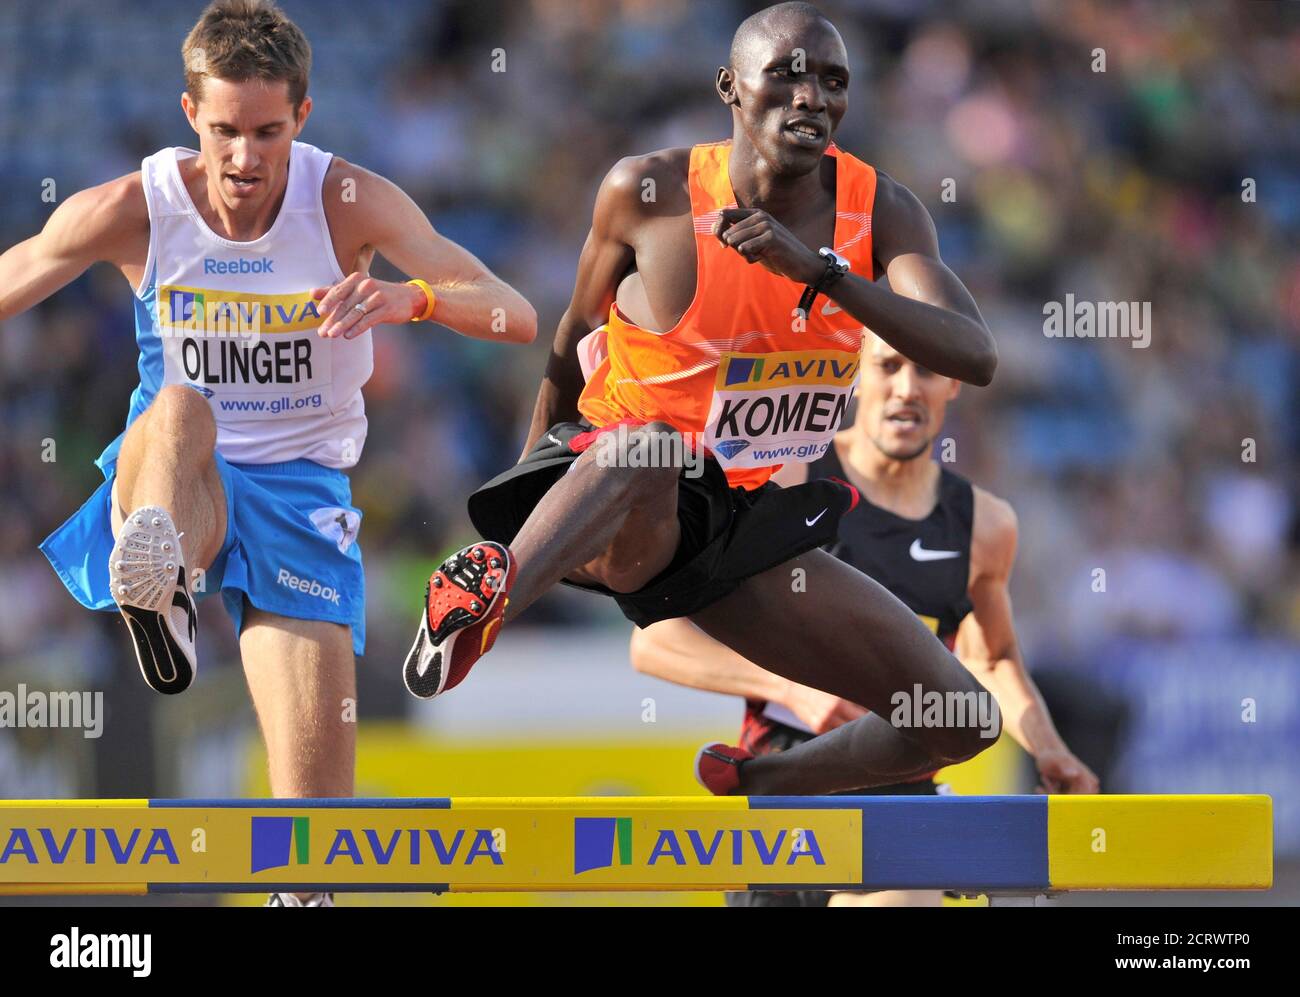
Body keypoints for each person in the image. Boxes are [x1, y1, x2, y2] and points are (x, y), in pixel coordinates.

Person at [0, 0, 535, 906]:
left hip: (300, 494)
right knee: (176, 406)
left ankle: (298, 889)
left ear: (304, 118)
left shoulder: (347, 200)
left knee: (313, 843)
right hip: (177, 480)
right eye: (223, 132)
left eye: (268, 132)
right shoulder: (138, 208)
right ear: (189, 117)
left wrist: (413, 302)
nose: (245, 159)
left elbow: (511, 313)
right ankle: (159, 583)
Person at [405, 2, 1004, 797]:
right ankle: (483, 607)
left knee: (960, 717)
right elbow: (574, 335)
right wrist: (535, 506)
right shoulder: (648, 192)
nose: (811, 99)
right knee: (654, 445)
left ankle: (765, 776)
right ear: (730, 87)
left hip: (740, 534)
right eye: (787, 76)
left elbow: (973, 352)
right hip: (622, 498)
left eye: (833, 82)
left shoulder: (880, 212)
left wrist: (824, 274)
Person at [631, 334, 1100, 906]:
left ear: (953, 383)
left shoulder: (983, 524)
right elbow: (653, 640)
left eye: (927, 371)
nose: (906, 388)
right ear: (856, 376)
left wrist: (1047, 746)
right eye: (888, 366)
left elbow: (991, 657)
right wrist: (792, 690)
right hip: (783, 782)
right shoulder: (791, 477)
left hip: (898, 791)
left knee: (905, 896)